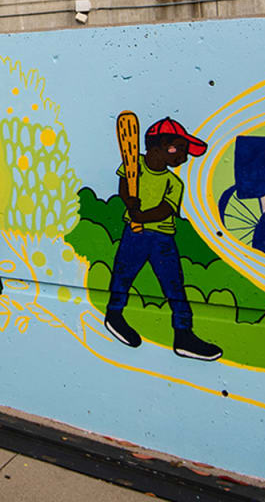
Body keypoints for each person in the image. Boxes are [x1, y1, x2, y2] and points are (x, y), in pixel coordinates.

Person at [103, 117, 223, 362]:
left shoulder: (173, 182)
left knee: (174, 286)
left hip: (162, 239)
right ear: (156, 146)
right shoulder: (133, 164)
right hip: (134, 235)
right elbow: (125, 185)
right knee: (122, 276)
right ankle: (114, 315)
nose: (183, 156)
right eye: (177, 149)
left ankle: (183, 335)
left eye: (185, 151)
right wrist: (129, 203)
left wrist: (141, 215)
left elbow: (166, 210)